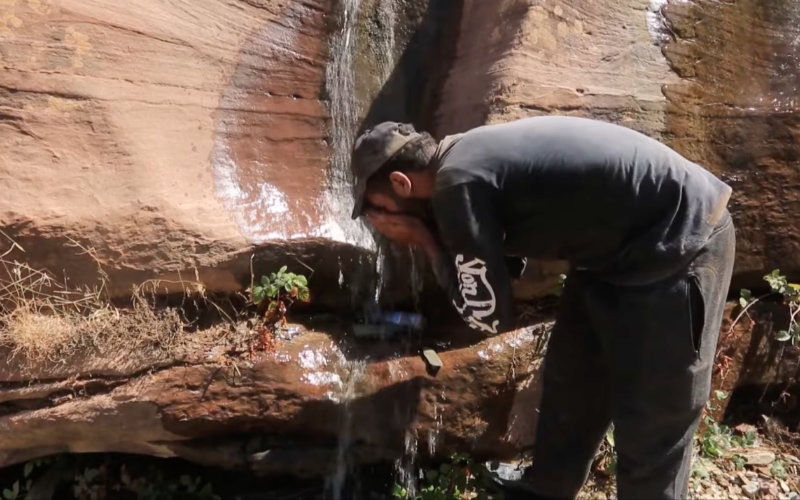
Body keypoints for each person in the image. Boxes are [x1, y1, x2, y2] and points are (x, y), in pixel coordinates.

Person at [349, 116, 736, 500]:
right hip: (609, 256)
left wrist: (424, 240)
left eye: (378, 208)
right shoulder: (459, 152)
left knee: (655, 421)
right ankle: (547, 491)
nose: (380, 223)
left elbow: (486, 313)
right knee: (573, 381)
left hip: (679, 242)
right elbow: (503, 261)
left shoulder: (457, 183)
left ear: (402, 183)